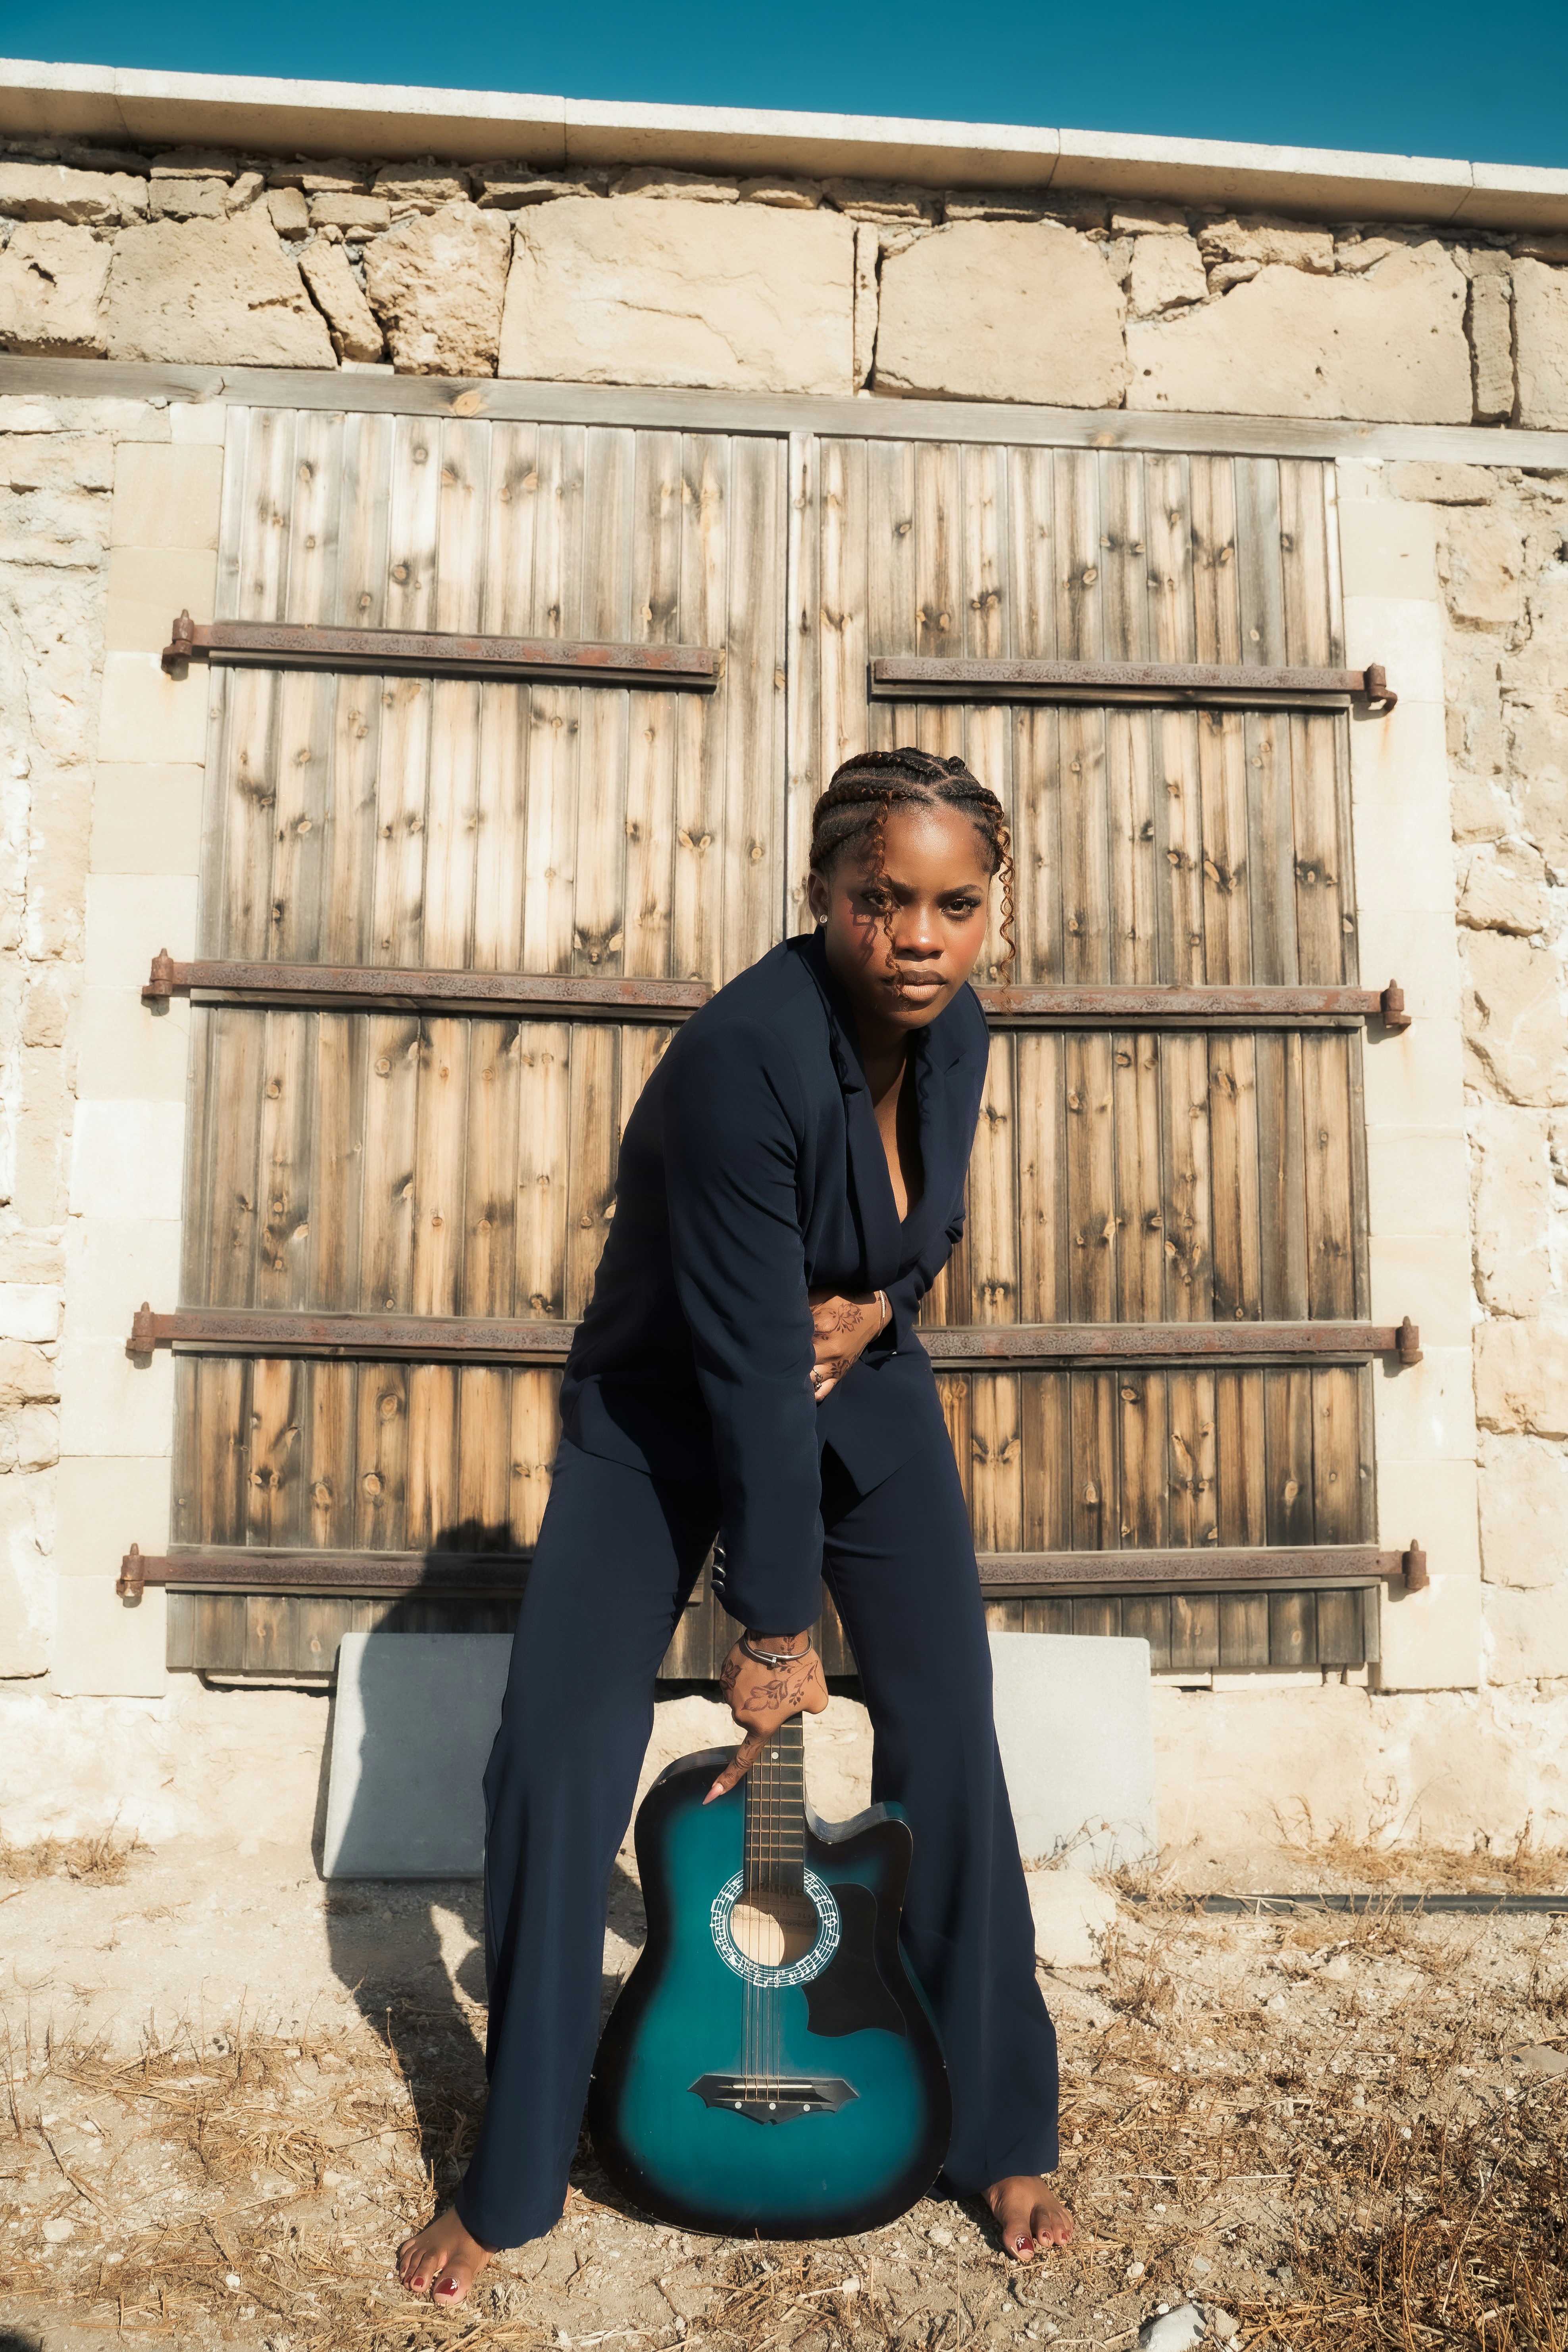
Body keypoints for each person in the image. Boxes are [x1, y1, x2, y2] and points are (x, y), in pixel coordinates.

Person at [398, 748, 1074, 2304]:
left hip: (855, 1388)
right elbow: (748, 1390)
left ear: (990, 911)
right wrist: (770, 1629)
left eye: (953, 907)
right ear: (824, 900)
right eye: (882, 903)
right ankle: (514, 2180)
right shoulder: (737, 1065)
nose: (918, 938)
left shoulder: (955, 1031)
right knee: (555, 1761)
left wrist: (875, 1305)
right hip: (659, 1416)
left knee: (949, 1733)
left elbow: (926, 1231)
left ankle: (997, 2128)